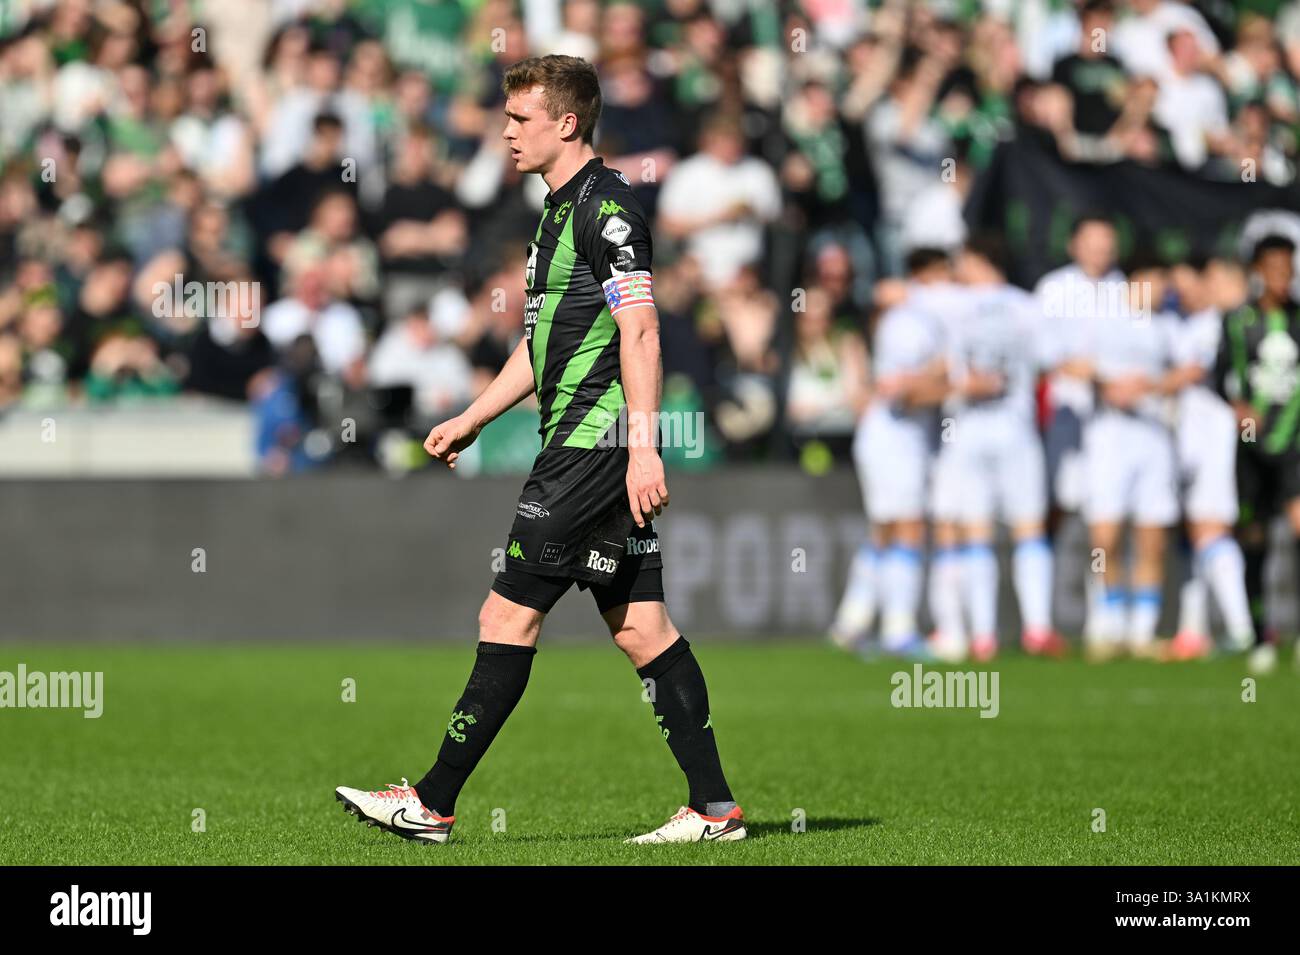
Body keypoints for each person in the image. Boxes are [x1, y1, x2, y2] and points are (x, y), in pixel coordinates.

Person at [335, 55, 745, 844]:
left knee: (506, 613)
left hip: (594, 449)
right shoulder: (556, 212)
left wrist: (645, 449)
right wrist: (474, 416)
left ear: (567, 123)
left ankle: (432, 802)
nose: (505, 130)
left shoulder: (610, 211)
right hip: (585, 445)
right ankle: (714, 809)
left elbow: (642, 329)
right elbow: (542, 344)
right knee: (641, 629)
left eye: (520, 119)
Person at [942, 236, 1063, 661]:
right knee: (1028, 529)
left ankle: (983, 636)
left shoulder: (953, 307)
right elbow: (1052, 359)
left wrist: (970, 381)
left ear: (978, 260)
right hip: (1016, 429)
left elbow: (947, 370)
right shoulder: (1027, 307)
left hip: (968, 431)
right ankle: (1037, 629)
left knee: (977, 532)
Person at [1215, 235, 1300, 675]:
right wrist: (1238, 407)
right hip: (1250, 449)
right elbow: (1217, 378)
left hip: (1295, 447)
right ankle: (1260, 633)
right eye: (1274, 269)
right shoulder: (1237, 321)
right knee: (1254, 541)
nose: (1283, 278)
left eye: (1289, 269)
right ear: (1257, 272)